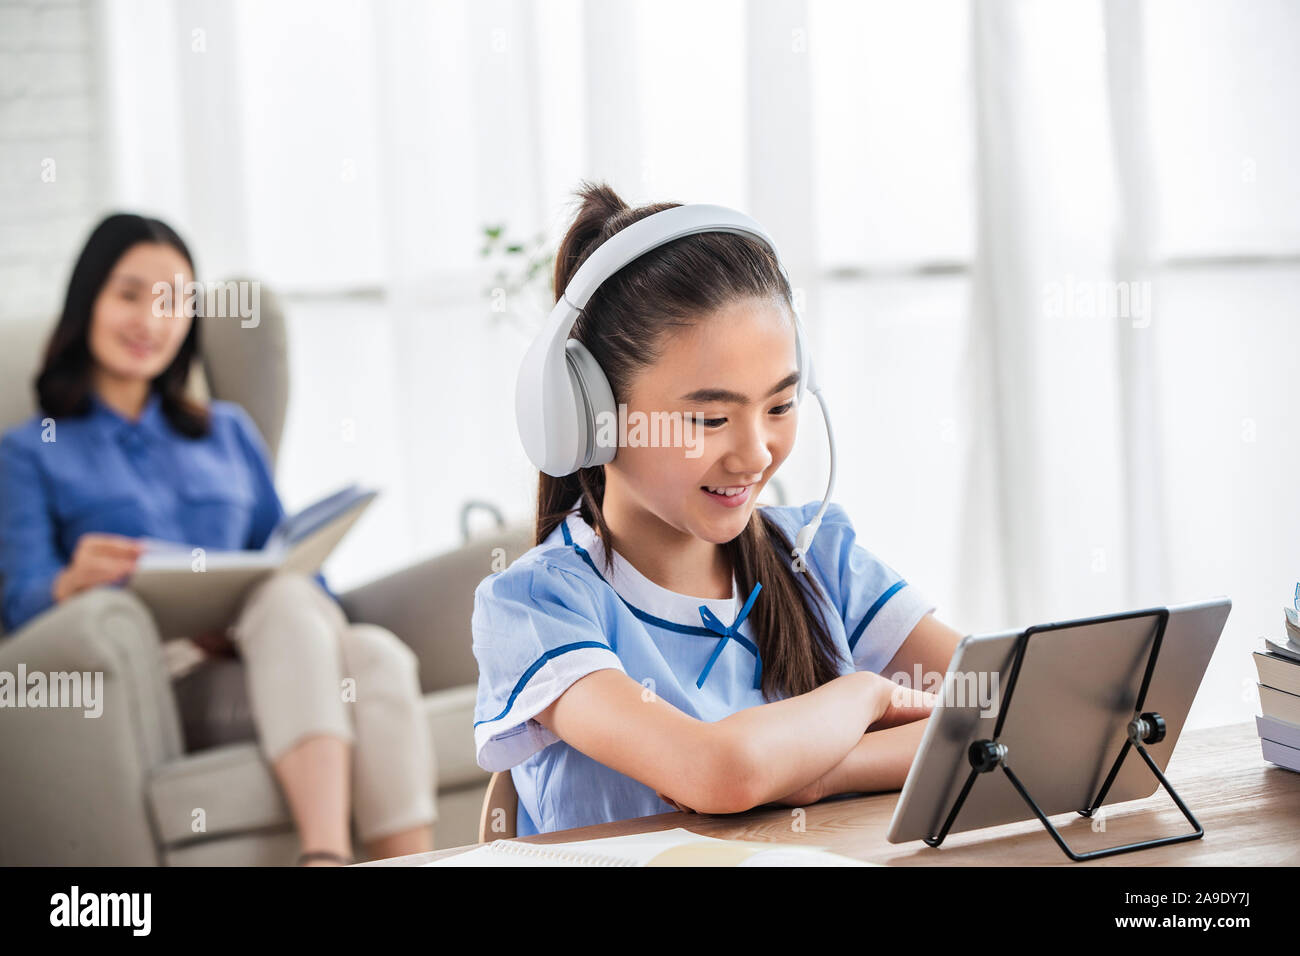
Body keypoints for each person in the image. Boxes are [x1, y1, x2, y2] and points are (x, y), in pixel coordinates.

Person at [472, 182, 967, 835]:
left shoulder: (819, 556)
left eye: (780, 406)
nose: (756, 453)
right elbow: (716, 773)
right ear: (588, 418)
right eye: (709, 419)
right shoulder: (536, 608)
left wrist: (827, 771)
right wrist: (865, 696)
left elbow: (999, 708)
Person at [0, 213, 435, 864]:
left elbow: (284, 555)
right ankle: (324, 855)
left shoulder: (227, 431)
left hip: (272, 647)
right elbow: (18, 607)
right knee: (319, 629)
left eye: (172, 302)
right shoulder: (31, 451)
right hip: (167, 681)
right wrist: (69, 583)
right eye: (129, 295)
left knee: (375, 653)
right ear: (88, 301)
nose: (151, 321)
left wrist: (293, 603)